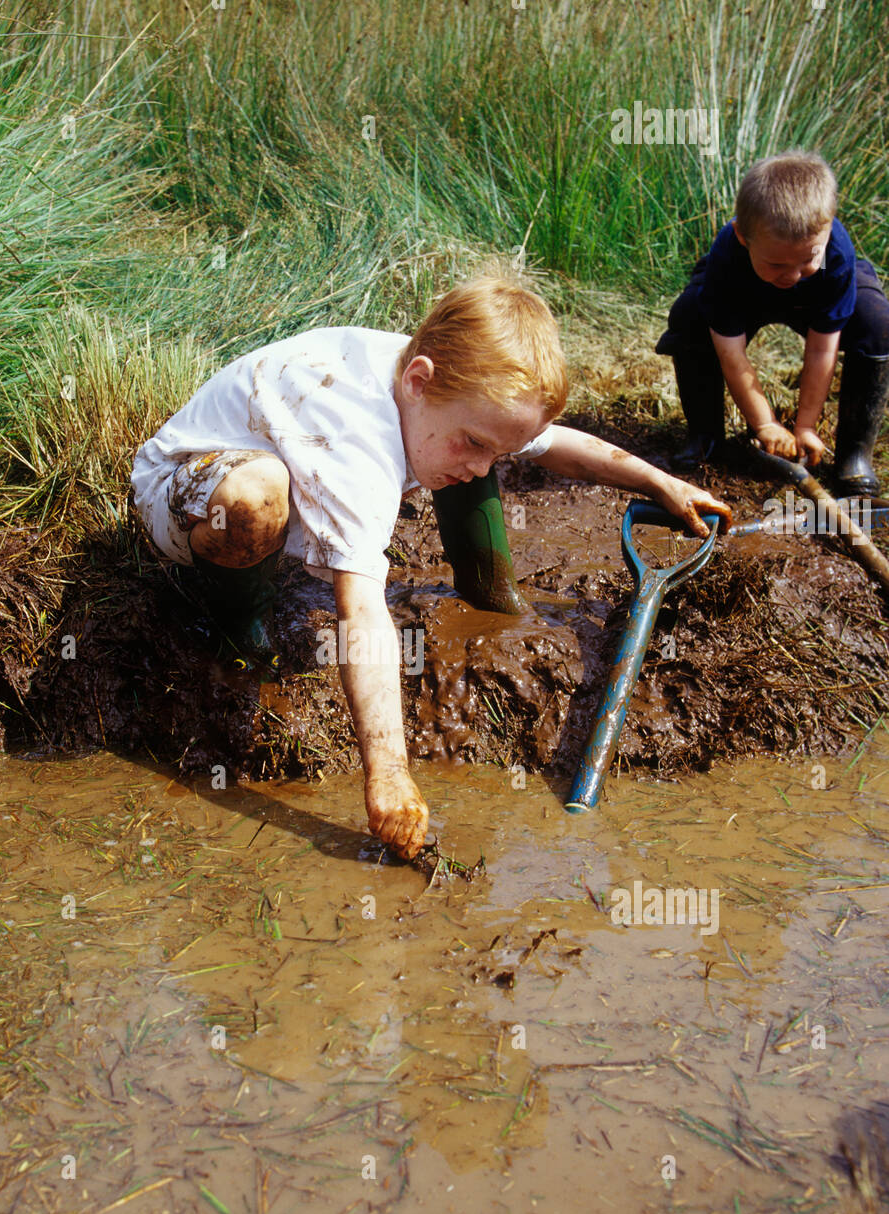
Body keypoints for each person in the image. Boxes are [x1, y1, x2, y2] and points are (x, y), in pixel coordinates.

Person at [132, 273, 730, 860]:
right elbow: (360, 612)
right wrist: (388, 774)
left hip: (298, 461)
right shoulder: (358, 444)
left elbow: (557, 446)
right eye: (475, 440)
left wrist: (660, 482)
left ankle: (491, 592)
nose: (483, 464)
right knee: (256, 500)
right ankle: (239, 622)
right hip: (185, 492)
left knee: (460, 463)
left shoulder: (445, 390)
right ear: (418, 381)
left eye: (499, 447)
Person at [657, 150, 889, 497]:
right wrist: (764, 423)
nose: (793, 275)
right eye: (778, 264)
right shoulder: (728, 255)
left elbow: (821, 348)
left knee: (877, 323)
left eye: (808, 258)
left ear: (827, 231)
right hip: (743, 291)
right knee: (690, 315)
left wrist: (805, 426)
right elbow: (731, 354)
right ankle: (705, 436)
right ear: (742, 237)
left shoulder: (835, 252)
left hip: (819, 296)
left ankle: (853, 456)